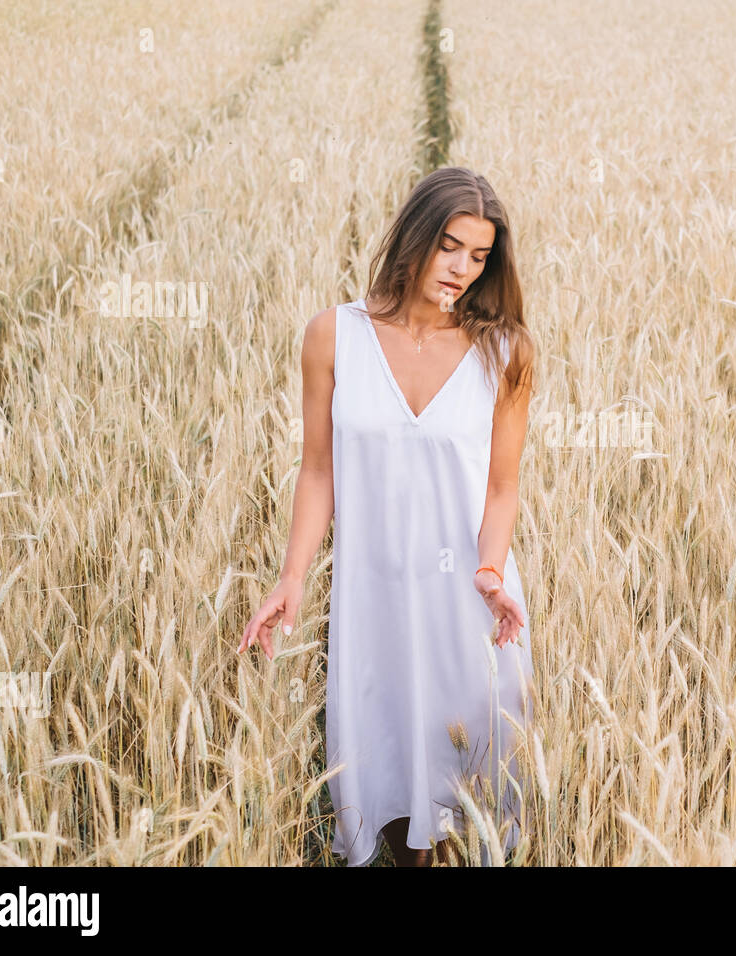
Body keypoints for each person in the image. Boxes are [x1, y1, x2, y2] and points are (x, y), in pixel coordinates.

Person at [238, 167, 537, 866]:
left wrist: (491, 573)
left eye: (480, 256)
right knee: (393, 806)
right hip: (373, 603)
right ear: (415, 238)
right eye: (450, 247)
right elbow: (319, 469)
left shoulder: (505, 353)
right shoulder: (332, 336)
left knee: (473, 808)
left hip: (470, 605)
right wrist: (292, 577)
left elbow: (501, 487)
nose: (463, 269)